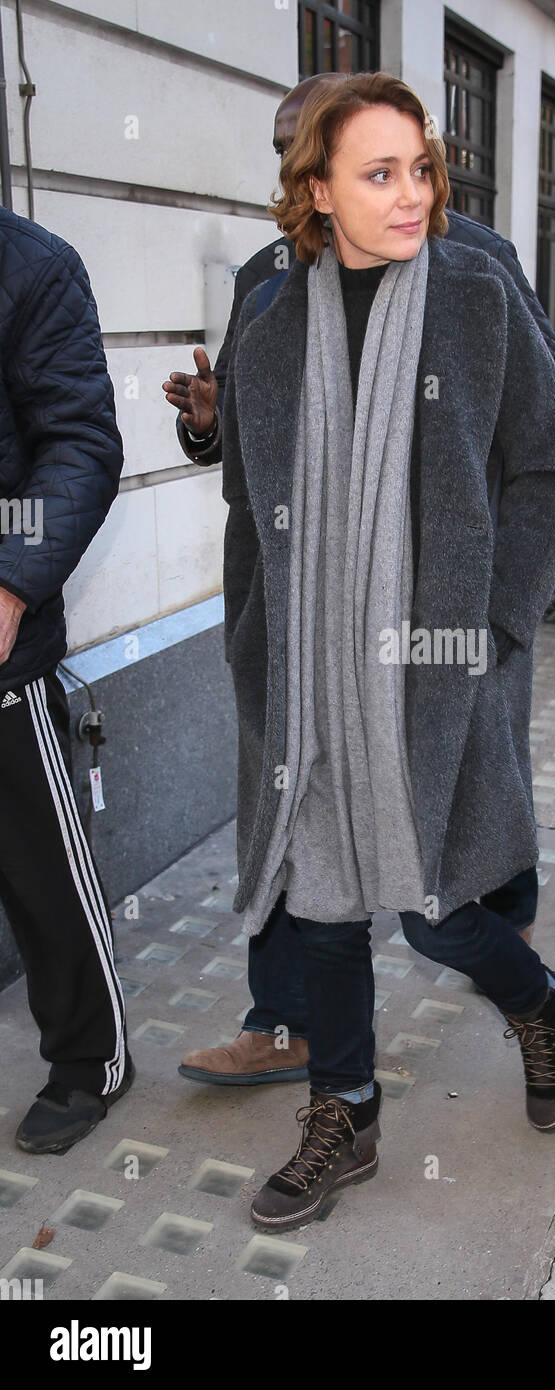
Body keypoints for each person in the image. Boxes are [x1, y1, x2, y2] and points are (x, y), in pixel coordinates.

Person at [215, 71, 555, 1231]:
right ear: (316, 190)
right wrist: (252, 647)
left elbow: (547, 468)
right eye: (379, 174)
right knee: (324, 908)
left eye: (419, 168)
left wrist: (492, 626)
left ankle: (538, 1004)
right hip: (311, 671)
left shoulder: (474, 291)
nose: (413, 194)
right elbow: (246, 495)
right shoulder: (269, 313)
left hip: (436, 666)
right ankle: (347, 1111)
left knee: (431, 907)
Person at [0, 208, 132, 1153]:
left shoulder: (32, 267)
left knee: (41, 877)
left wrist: (12, 581)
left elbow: (80, 442)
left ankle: (90, 1061)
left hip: (1, 648)